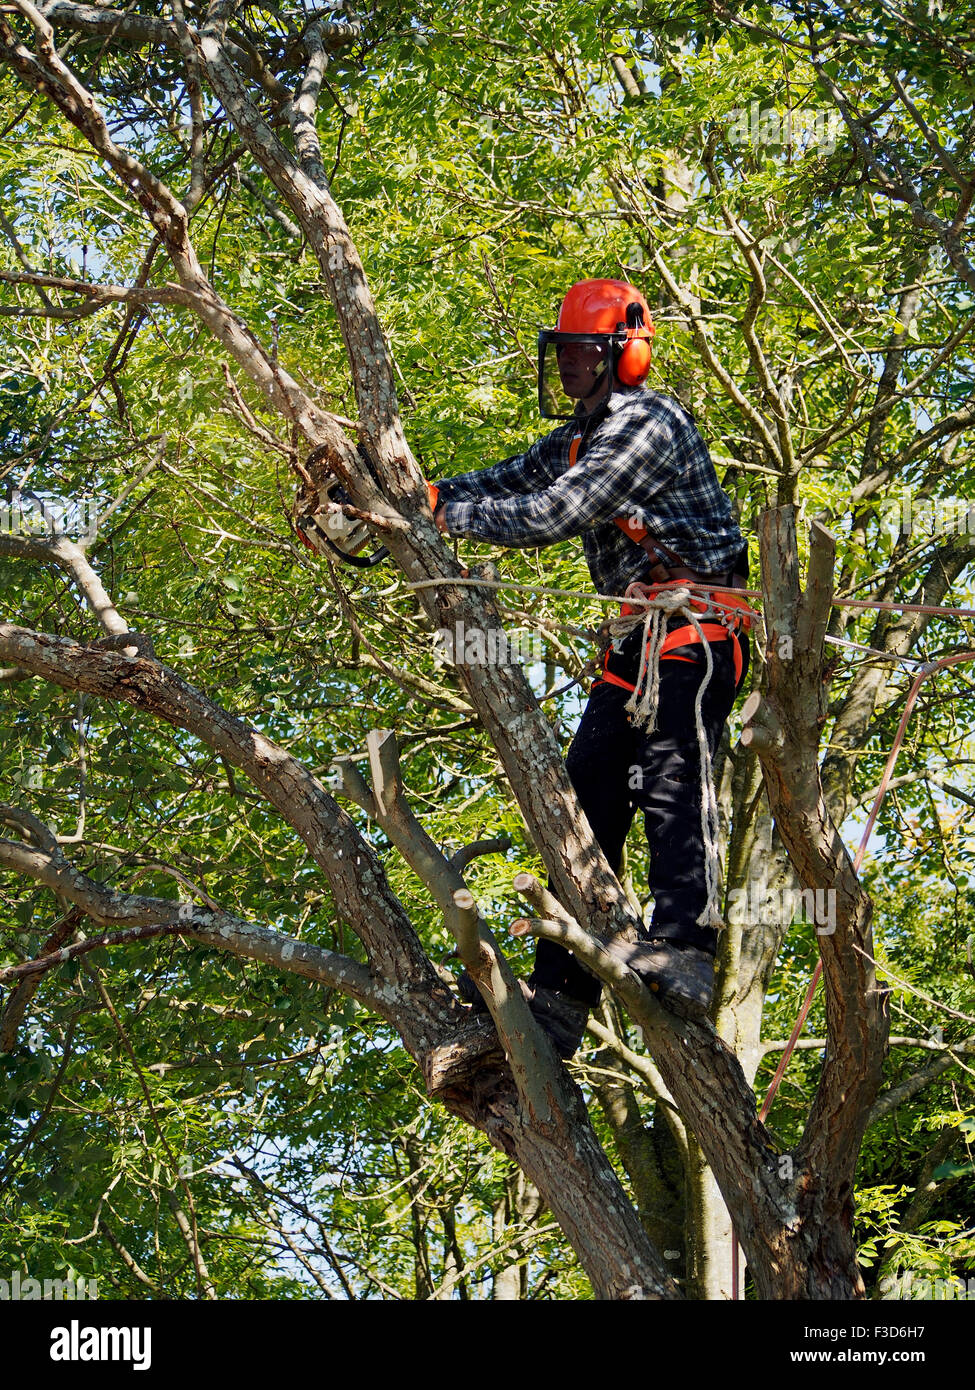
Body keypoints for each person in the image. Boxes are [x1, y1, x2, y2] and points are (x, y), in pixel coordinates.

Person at [433, 279, 749, 1056]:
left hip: (696, 628)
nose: (566, 363)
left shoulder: (646, 423)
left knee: (676, 776)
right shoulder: (578, 436)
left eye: (580, 350)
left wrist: (440, 517)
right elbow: (508, 481)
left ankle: (685, 949)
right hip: (634, 641)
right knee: (585, 801)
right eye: (562, 350)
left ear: (621, 353)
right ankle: (560, 998)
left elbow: (551, 514)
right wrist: (411, 493)